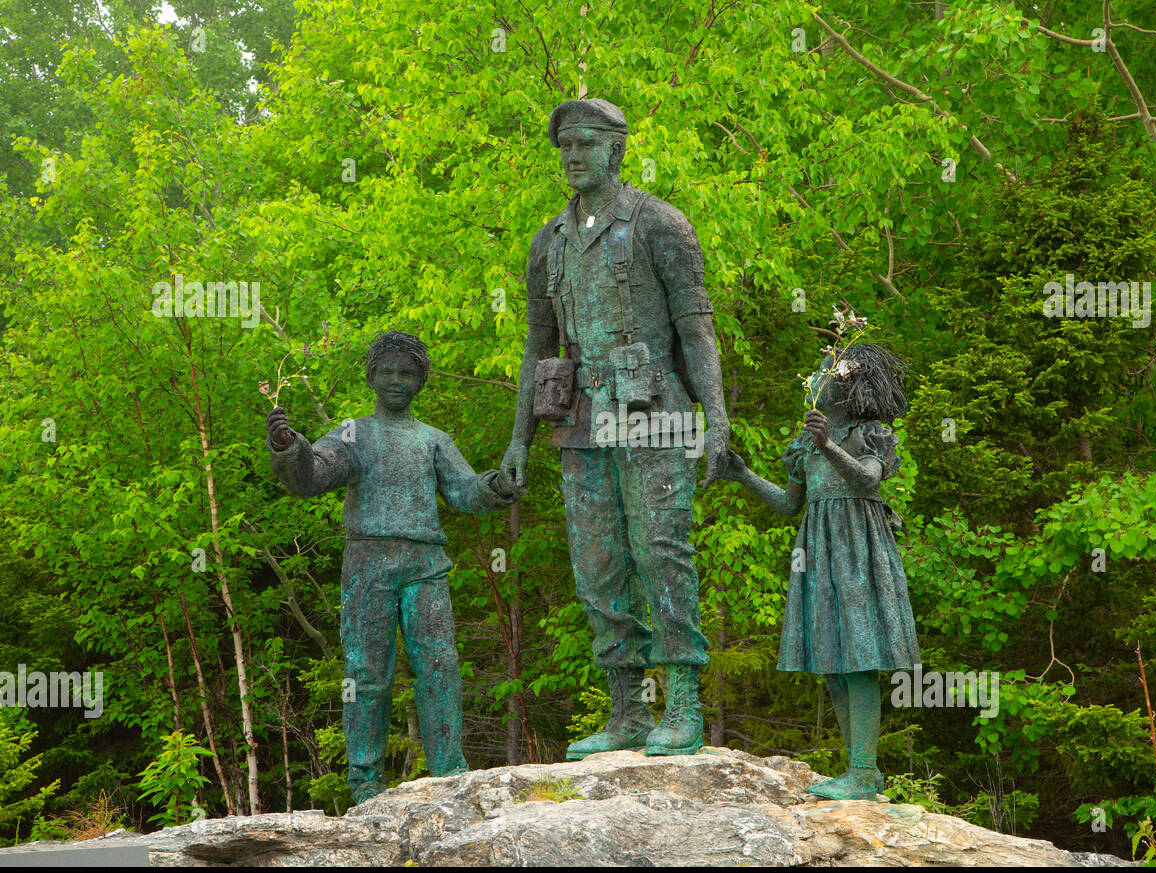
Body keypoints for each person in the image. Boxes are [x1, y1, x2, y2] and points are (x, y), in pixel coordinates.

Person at [499, 99, 730, 759]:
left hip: (654, 412)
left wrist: (716, 421)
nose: (573, 155)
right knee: (597, 566)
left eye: (585, 143)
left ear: (616, 149)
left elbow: (697, 329)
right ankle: (628, 709)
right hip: (580, 422)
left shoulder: (661, 224)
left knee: (662, 554)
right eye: (564, 146)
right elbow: (537, 347)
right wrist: (518, 440)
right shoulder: (549, 242)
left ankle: (682, 702)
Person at [266, 331, 517, 804]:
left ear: (421, 380)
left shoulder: (433, 440)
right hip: (367, 564)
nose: (396, 381)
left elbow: (465, 491)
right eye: (387, 372)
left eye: (406, 373)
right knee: (366, 673)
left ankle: (448, 772)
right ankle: (365, 783)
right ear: (371, 377)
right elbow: (313, 476)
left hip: (425, 564)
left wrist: (499, 485)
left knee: (439, 664)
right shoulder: (353, 432)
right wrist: (289, 446)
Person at [723, 343, 920, 799]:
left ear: (847, 387)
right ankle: (861, 774)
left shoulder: (869, 434)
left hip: (858, 546)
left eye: (825, 374)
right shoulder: (803, 447)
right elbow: (789, 504)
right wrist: (744, 475)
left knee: (860, 658)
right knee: (832, 661)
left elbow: (868, 479)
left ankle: (864, 770)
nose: (815, 381)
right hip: (817, 549)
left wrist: (828, 445)